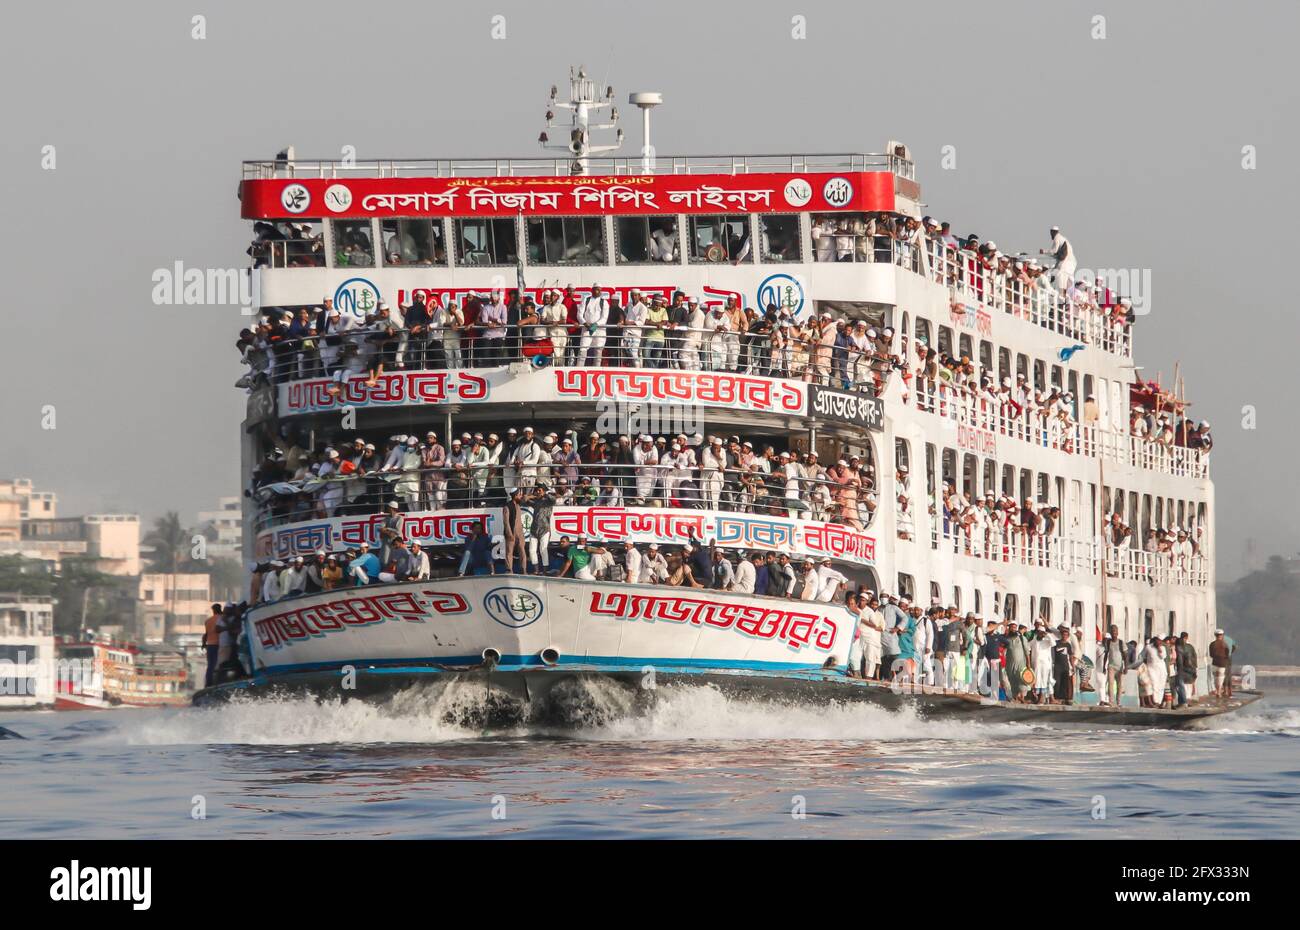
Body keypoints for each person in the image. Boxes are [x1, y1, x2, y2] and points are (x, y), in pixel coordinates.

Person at [1209, 628, 1234, 700]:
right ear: (1222, 635)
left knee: (1215, 677)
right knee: (1221, 677)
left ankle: (1217, 691)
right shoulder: (1225, 644)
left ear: (1215, 635)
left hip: (1215, 662)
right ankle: (1219, 692)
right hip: (1223, 663)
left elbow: (1211, 654)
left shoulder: (1212, 644)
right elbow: (1228, 653)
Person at [203, 603, 223, 688]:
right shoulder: (222, 618)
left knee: (210, 665)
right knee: (218, 664)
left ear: (213, 610)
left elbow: (205, 634)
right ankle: (217, 683)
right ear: (220, 609)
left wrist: (203, 644)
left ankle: (208, 683)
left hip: (209, 645)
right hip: (218, 644)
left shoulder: (208, 621)